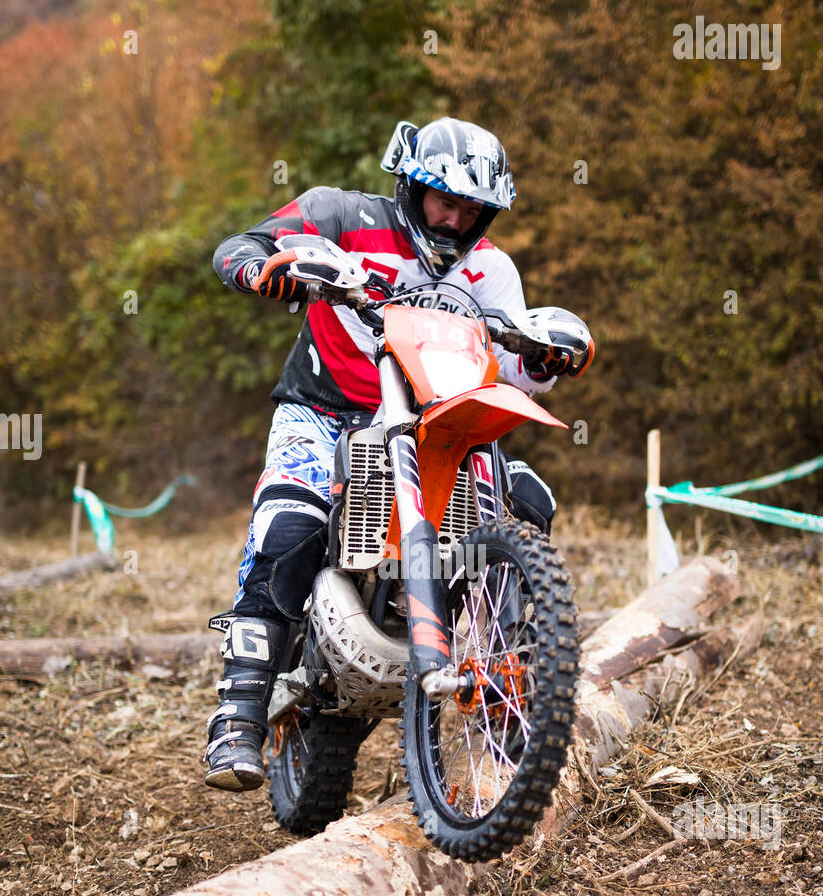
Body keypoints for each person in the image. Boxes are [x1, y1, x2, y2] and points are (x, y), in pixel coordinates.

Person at [204, 117, 594, 792]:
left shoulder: (491, 270)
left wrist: (542, 356)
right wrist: (264, 269)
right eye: (441, 198)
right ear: (409, 186)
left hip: (432, 428)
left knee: (526, 494)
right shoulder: (341, 213)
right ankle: (238, 716)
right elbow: (241, 246)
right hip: (325, 413)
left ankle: (510, 677)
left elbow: (513, 373)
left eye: (470, 206)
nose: (452, 217)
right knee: (289, 520)